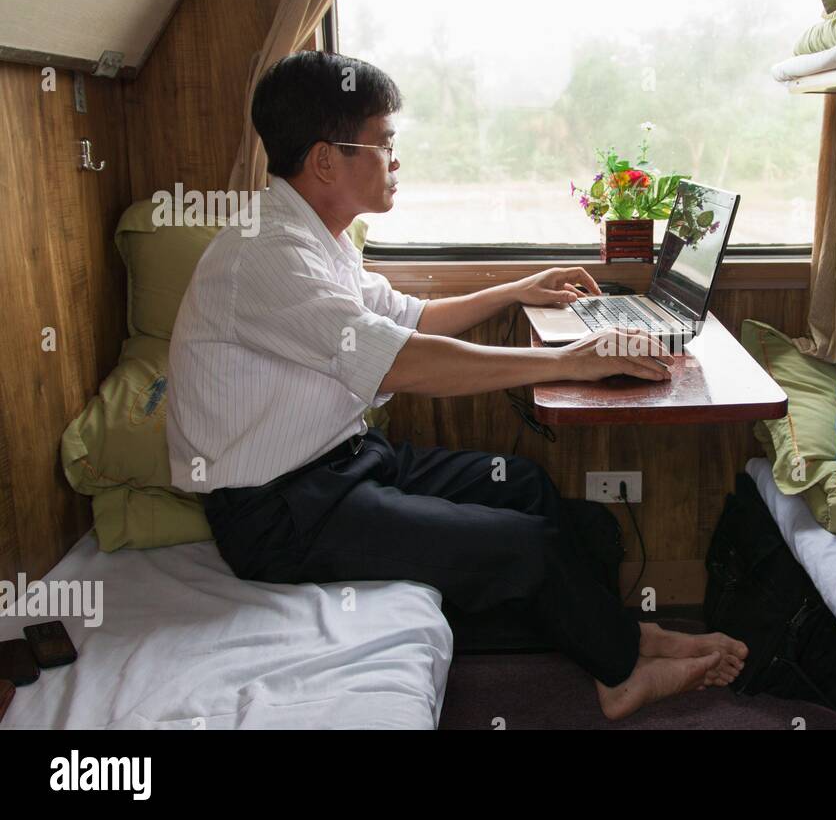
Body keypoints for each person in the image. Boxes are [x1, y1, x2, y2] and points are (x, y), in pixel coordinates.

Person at [166, 50, 746, 721]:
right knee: (524, 546)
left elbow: (408, 319)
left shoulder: (317, 238)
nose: (396, 159)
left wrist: (519, 289)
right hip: (281, 515)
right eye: (385, 143)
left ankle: (631, 638)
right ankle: (620, 675)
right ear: (325, 160)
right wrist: (568, 362)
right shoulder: (267, 258)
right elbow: (406, 361)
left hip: (344, 466)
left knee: (525, 484)